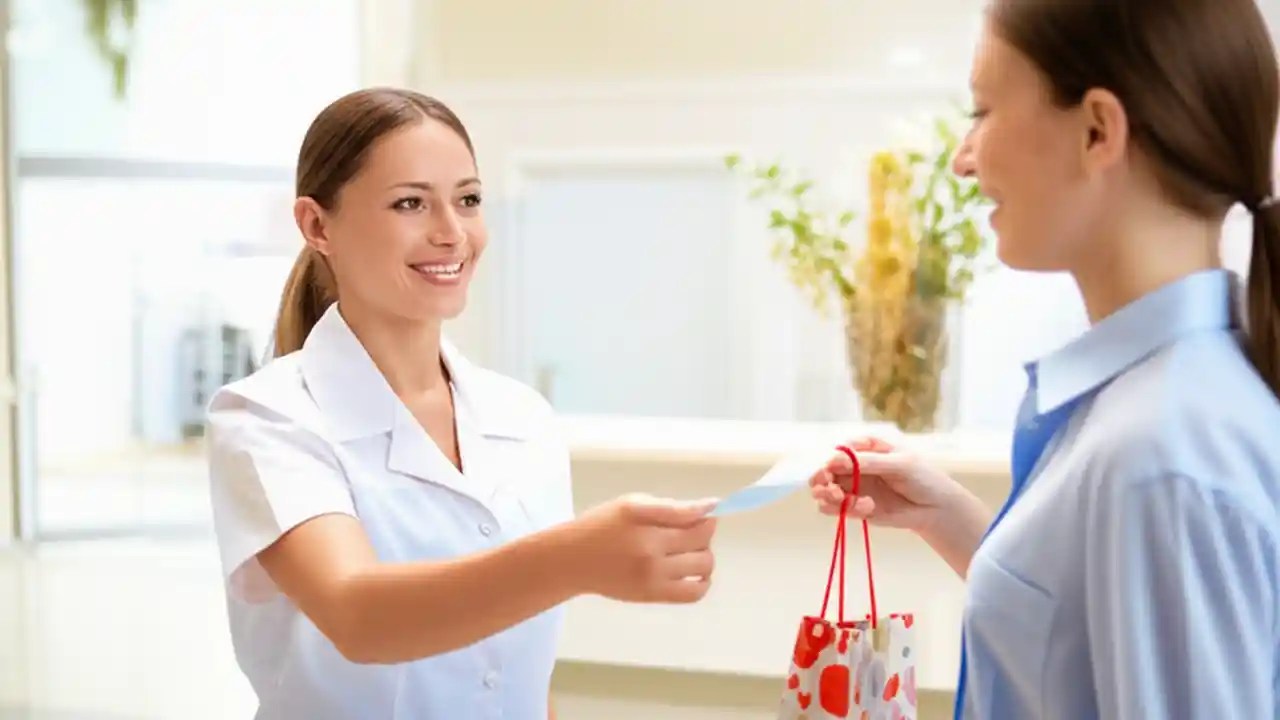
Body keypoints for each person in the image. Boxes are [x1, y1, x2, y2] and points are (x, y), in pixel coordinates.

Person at [810, 0, 1280, 718]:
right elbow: (1085, 650)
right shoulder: (1177, 406)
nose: (963, 158)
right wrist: (958, 524)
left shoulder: (1159, 457)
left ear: (1097, 131)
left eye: (983, 111)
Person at [205, 87, 719, 720]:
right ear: (317, 226)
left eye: (468, 200)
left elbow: (521, 673)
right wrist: (577, 559)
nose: (452, 234)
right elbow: (359, 617)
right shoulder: (267, 418)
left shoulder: (522, 418)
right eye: (410, 203)